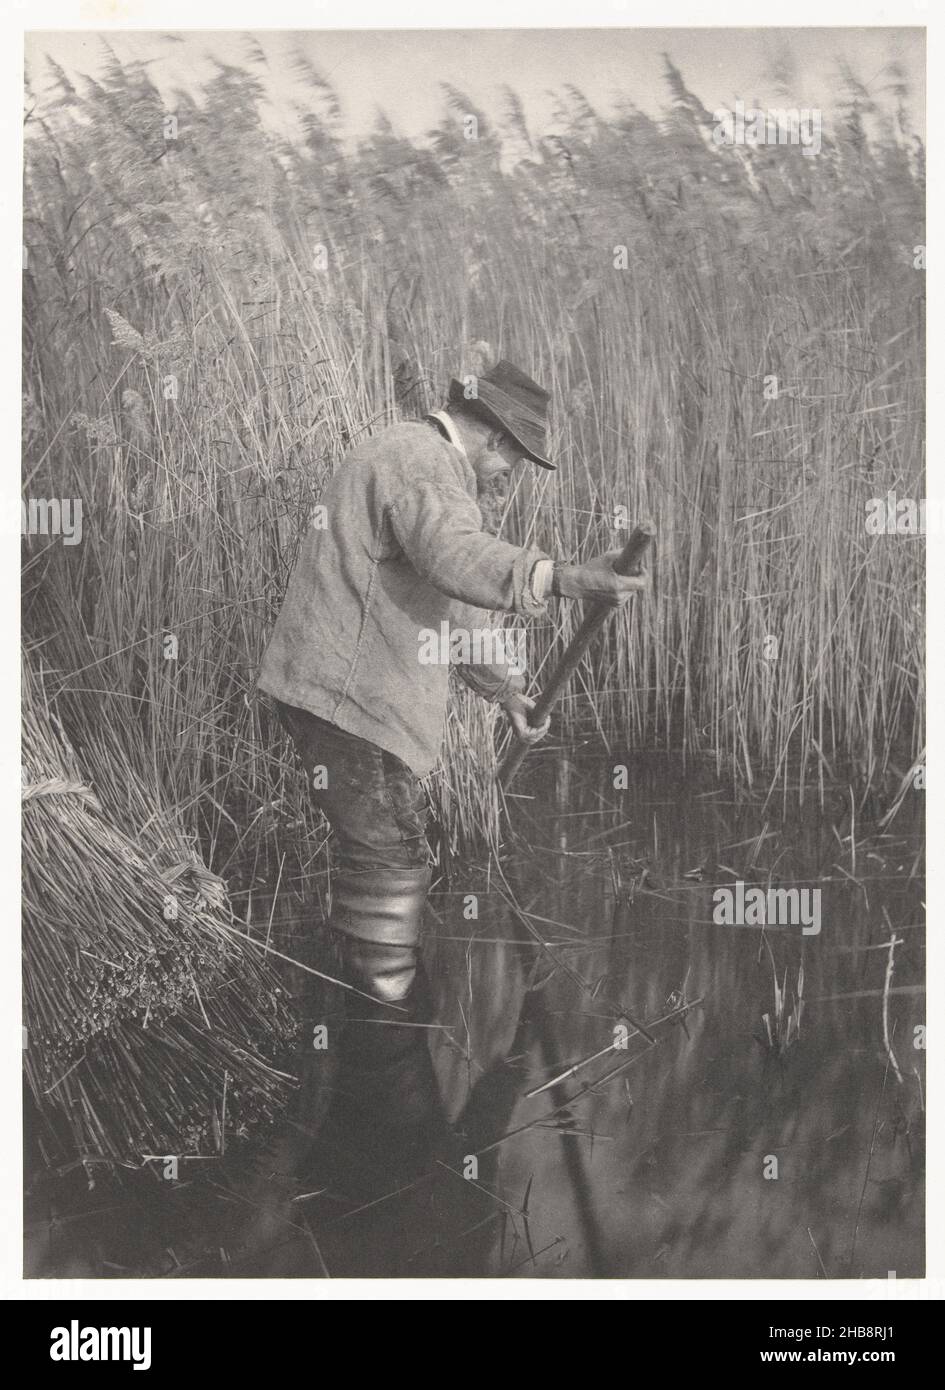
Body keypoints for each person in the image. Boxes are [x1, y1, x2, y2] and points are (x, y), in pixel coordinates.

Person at [258, 360, 645, 1023]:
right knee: (392, 852)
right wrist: (566, 577)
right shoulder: (419, 459)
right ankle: (383, 1033)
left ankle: (354, 1004)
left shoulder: (426, 467)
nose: (510, 477)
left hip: (353, 702)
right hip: (345, 700)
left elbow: (451, 596)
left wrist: (508, 694)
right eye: (517, 461)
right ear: (494, 439)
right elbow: (455, 558)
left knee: (393, 844)